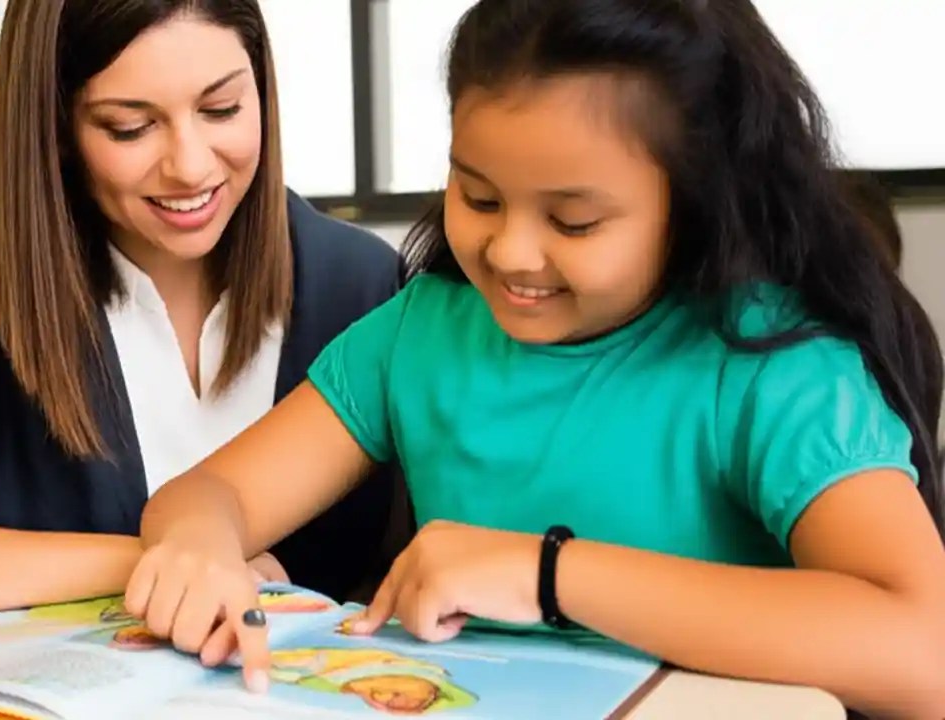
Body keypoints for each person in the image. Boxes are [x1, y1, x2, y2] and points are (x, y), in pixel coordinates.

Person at [123, 1, 945, 717]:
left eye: (575, 221)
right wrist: (199, 544)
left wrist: (548, 576)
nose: (511, 253)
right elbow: (216, 493)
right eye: (478, 197)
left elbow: (924, 654)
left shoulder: (770, 365)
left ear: (691, 205)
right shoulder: (427, 329)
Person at [0, 0, 402, 625]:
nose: (190, 165)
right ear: (58, 128)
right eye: (130, 127)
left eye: (221, 109)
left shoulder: (366, 286)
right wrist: (178, 562)